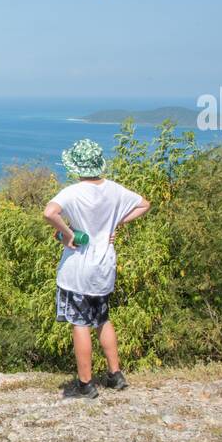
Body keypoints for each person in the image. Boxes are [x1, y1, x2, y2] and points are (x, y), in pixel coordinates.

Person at [42, 139, 151, 398]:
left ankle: (85, 384)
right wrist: (115, 224)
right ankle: (115, 375)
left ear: (76, 166)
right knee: (102, 319)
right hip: (104, 268)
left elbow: (49, 213)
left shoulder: (72, 192)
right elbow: (144, 204)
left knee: (80, 324)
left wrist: (68, 234)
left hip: (78, 270)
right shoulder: (114, 190)